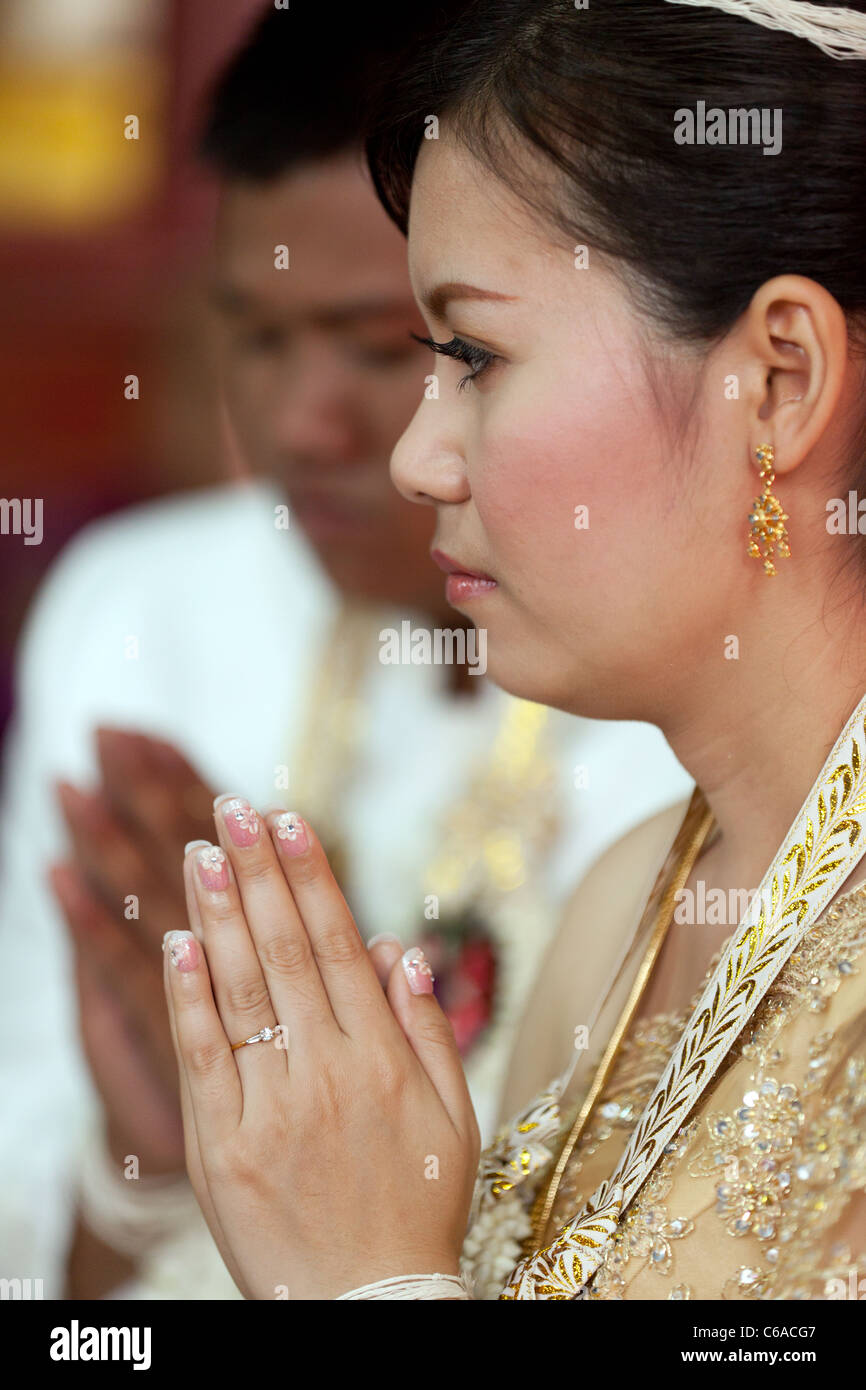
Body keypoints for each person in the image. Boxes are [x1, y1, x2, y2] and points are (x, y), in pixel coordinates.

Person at [156, 0, 866, 1300]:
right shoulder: (616, 918)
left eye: (472, 355)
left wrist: (365, 1277)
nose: (413, 459)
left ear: (774, 381)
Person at [0, 4, 691, 1301]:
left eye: (393, 347)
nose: (308, 424)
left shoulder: (695, 675)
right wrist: (147, 1152)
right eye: (256, 337)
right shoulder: (140, 603)